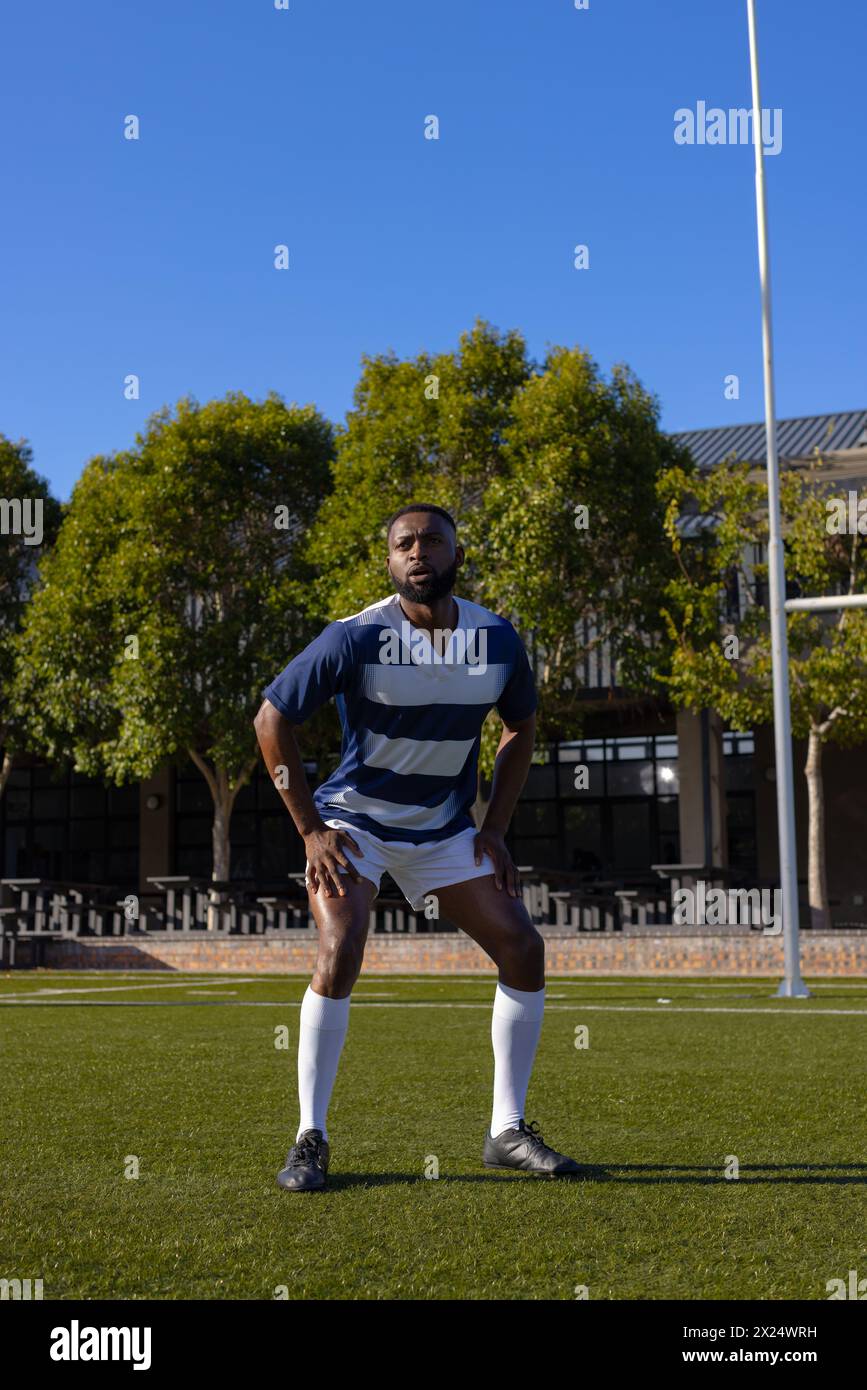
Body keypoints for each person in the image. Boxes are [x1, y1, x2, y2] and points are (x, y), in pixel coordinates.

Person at [253, 503, 579, 1190]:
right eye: (404, 543)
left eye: (432, 540)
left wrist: (492, 829)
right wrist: (311, 828)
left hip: (442, 830)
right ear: (389, 560)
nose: (418, 552)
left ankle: (505, 1130)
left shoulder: (496, 640)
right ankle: (309, 1138)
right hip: (355, 826)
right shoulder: (353, 638)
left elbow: (520, 728)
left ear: (456, 553)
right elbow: (271, 719)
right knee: (340, 946)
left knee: (522, 946)